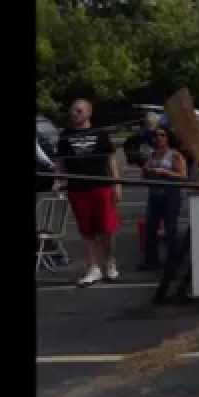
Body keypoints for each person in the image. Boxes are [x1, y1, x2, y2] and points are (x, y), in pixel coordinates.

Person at [54, 99, 122, 286]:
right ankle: (93, 268)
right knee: (87, 231)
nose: (74, 114)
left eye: (78, 111)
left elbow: (111, 160)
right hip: (77, 189)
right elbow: (60, 161)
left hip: (101, 186)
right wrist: (58, 180)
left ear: (89, 113)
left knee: (107, 229)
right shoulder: (65, 135)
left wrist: (117, 184)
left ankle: (109, 263)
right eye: (72, 111)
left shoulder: (101, 133)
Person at [137, 127, 186, 272]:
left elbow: (183, 176)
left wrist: (165, 172)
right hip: (154, 195)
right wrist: (146, 171)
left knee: (170, 230)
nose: (159, 138)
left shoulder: (175, 155)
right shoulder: (152, 155)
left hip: (171, 196)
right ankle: (151, 261)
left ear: (168, 138)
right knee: (150, 228)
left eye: (162, 135)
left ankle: (173, 263)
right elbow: (144, 176)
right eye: (156, 135)